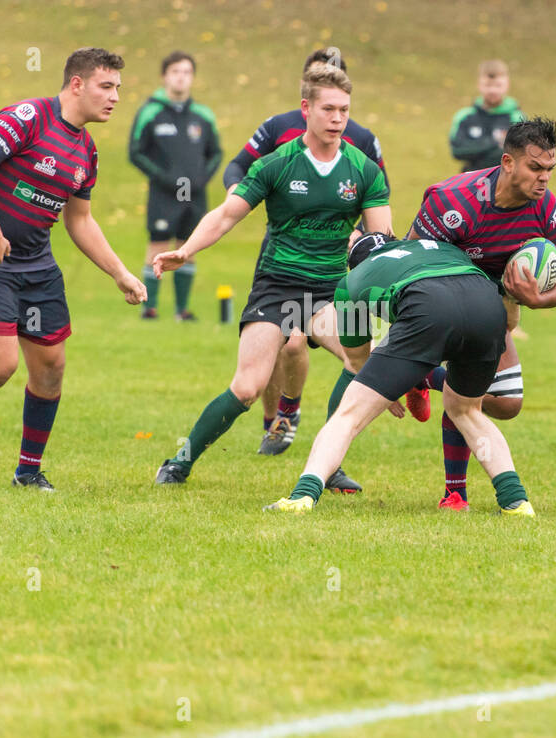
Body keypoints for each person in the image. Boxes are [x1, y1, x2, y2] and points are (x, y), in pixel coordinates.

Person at [153, 63, 392, 489]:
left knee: (364, 363)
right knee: (247, 387)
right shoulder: (277, 164)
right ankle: (179, 462)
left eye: (345, 111)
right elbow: (227, 215)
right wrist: (185, 250)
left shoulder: (364, 169)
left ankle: (328, 463)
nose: (339, 120)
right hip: (278, 284)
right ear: (307, 109)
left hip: (334, 286)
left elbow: (382, 241)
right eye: (330, 110)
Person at [0, 48, 146, 489]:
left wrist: (120, 273)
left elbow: (79, 220)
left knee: (51, 366)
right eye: (106, 86)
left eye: (118, 88)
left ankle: (28, 471)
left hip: (36, 264)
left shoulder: (87, 152)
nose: (115, 97)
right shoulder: (28, 117)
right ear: (76, 84)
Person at [265, 234, 533, 515]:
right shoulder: (437, 245)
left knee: (349, 414)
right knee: (467, 411)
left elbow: (356, 358)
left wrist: (385, 387)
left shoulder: (352, 280)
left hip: (427, 306)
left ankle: (303, 496)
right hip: (488, 307)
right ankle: (516, 501)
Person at [221, 47, 389, 457]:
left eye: (342, 105)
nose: (335, 115)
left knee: (316, 345)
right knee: (281, 344)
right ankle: (274, 420)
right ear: (308, 91)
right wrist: (235, 199)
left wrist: (363, 239)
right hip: (283, 255)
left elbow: (378, 203)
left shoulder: (362, 140)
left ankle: (294, 417)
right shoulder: (278, 129)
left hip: (333, 262)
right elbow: (237, 167)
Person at [410, 116, 556, 511]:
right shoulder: (454, 201)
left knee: (507, 402)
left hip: (495, 310)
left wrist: (537, 300)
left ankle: (423, 377)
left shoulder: (548, 210)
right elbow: (410, 262)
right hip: (443, 298)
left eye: (549, 170)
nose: (544, 179)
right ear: (507, 163)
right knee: (464, 392)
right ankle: (455, 492)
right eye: (535, 168)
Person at [129, 50, 222, 321]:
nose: (181, 78)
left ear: (192, 78)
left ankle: (182, 310)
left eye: (187, 72)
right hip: (163, 194)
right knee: (158, 244)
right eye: (176, 72)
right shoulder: (150, 112)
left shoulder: (203, 115)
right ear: (164, 76)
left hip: (195, 194)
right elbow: (136, 152)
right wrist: (163, 177)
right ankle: (150, 307)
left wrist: (203, 178)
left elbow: (215, 152)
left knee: (187, 247)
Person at [448, 60, 524, 173]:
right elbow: (458, 151)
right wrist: (495, 143)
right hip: (471, 182)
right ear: (479, 85)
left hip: (505, 183)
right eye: (488, 85)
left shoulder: (518, 119)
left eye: (498, 85)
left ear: (507, 85)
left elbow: (520, 155)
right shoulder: (464, 116)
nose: (493, 90)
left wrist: (476, 149)